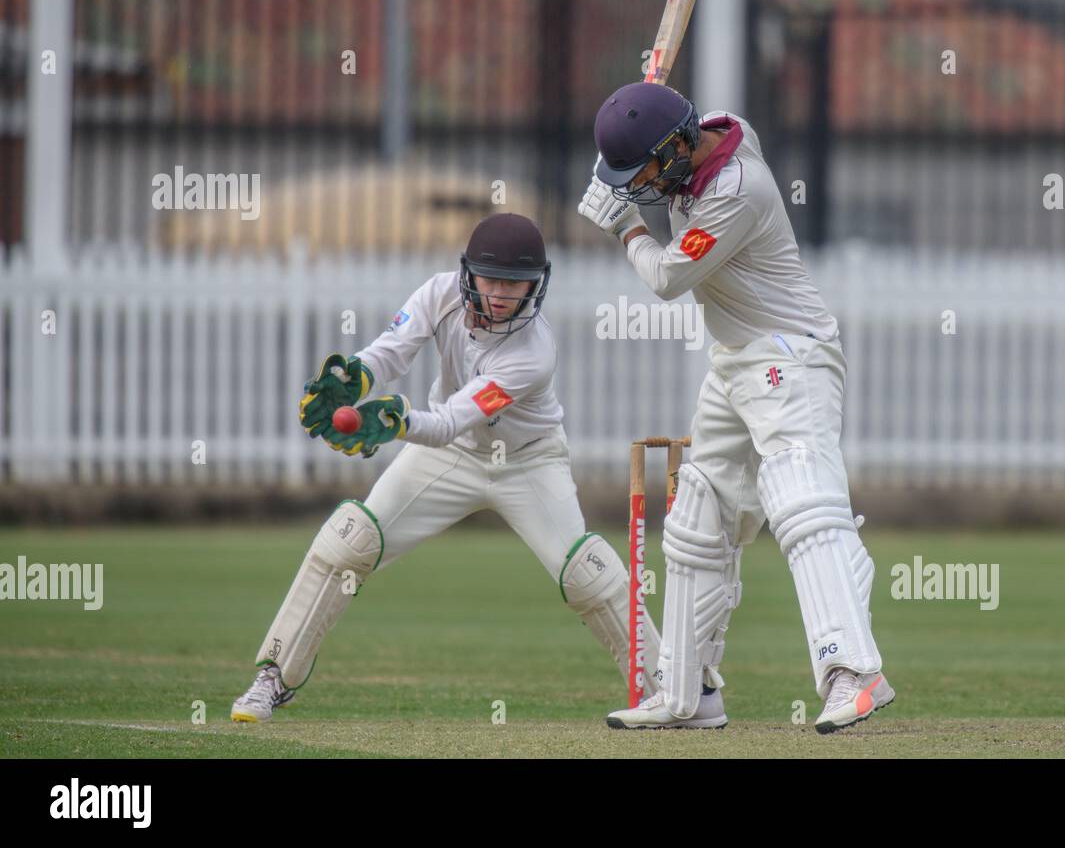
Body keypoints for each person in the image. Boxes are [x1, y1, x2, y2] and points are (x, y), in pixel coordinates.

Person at [231, 213, 660, 722]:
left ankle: (669, 689)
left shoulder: (534, 352)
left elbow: (452, 419)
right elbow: (390, 353)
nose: (499, 293)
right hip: (448, 457)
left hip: (529, 461)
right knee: (349, 541)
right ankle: (273, 678)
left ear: (536, 284)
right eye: (490, 278)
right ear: (468, 272)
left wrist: (396, 422)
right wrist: (355, 380)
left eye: (514, 283)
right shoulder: (440, 293)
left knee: (584, 573)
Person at [578, 83, 893, 733]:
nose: (643, 186)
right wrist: (633, 145)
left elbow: (668, 277)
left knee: (802, 502)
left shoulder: (738, 190)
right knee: (700, 513)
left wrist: (626, 225)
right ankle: (687, 693)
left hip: (790, 354)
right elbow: (673, 146)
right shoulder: (710, 138)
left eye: (647, 171)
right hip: (734, 360)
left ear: (678, 146)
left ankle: (854, 671)